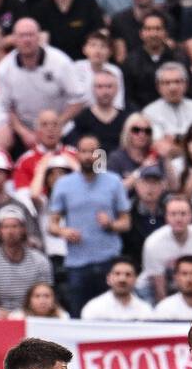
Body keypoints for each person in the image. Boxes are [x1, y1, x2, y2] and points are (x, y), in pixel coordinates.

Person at [47, 134, 131, 315]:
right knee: (78, 315)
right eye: (83, 151)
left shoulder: (113, 181)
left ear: (100, 154)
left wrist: (111, 224)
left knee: (111, 314)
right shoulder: (64, 184)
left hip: (108, 260)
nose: (87, 156)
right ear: (77, 154)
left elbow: (126, 222)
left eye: (92, 151)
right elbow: (51, 225)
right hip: (77, 263)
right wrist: (64, 231)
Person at [0, 18, 87, 147]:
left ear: (39, 37)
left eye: (31, 35)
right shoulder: (4, 69)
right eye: (22, 35)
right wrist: (24, 133)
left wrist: (55, 125)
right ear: (14, 39)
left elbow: (79, 99)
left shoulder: (60, 62)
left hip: (61, 127)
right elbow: (6, 108)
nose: (27, 40)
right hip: (25, 131)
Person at [0, 207, 53, 313]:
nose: (10, 231)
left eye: (15, 226)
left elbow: (44, 299)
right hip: (0, 320)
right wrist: (12, 318)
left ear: (23, 229)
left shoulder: (40, 261)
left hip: (33, 317)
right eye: (5, 227)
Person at [122, 11, 190, 113]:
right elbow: (128, 97)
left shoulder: (179, 58)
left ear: (165, 32)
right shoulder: (131, 61)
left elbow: (189, 91)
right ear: (141, 33)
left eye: (158, 29)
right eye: (148, 29)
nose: (153, 34)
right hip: (142, 116)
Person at [144, 62, 192, 148]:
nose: (173, 87)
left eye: (177, 82)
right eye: (167, 83)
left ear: (185, 84)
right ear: (158, 86)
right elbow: (159, 143)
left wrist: (176, 139)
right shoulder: (149, 112)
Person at [80, 258, 154, 320]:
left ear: (135, 280)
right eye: (117, 274)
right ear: (108, 279)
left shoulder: (145, 310)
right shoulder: (94, 308)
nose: (122, 279)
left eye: (128, 275)